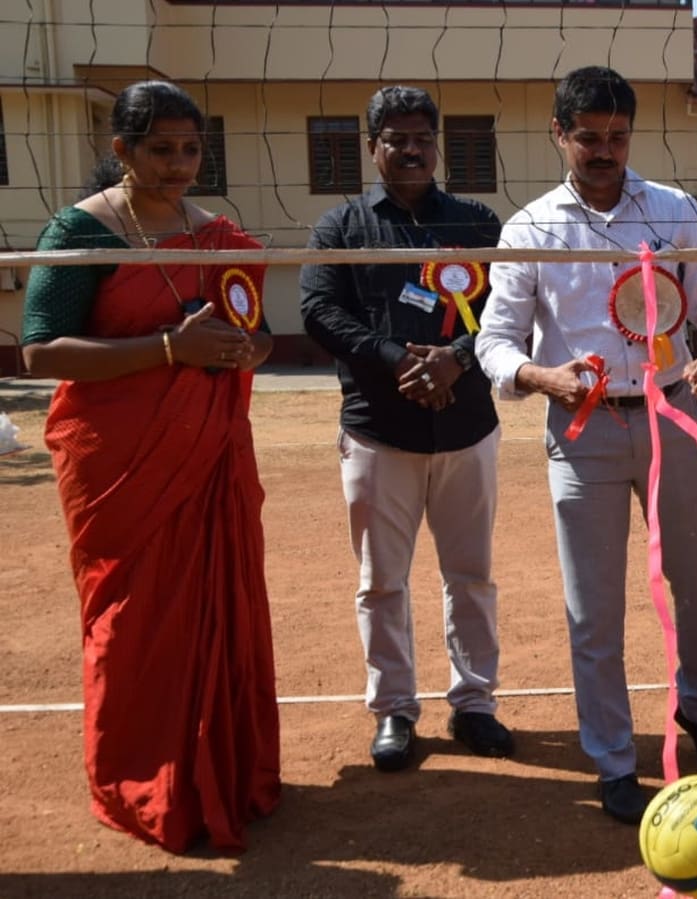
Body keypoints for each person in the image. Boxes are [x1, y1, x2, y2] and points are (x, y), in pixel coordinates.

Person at [476, 66, 697, 826]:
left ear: (632, 134)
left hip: (673, 413)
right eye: (587, 137)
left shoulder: (674, 210)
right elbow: (493, 340)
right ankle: (613, 756)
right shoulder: (530, 229)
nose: (603, 150)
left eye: (617, 136)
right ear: (559, 135)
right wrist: (538, 374)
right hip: (581, 426)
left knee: (696, 579)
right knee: (593, 606)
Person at [20, 80, 279, 853]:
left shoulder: (221, 235)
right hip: (119, 463)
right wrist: (170, 348)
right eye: (159, 150)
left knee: (220, 610)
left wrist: (244, 348)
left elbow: (256, 334)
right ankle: (141, 778)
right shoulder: (81, 231)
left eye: (189, 149)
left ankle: (223, 771)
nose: (176, 165)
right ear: (121, 150)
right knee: (130, 622)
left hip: (210, 455)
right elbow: (39, 349)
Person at [299, 86, 514, 773]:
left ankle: (475, 701)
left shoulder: (478, 223)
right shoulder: (340, 227)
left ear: (437, 142)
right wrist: (399, 361)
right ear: (373, 147)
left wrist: (455, 360)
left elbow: (512, 311)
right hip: (377, 431)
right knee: (381, 580)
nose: (412, 148)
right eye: (396, 138)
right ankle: (394, 707)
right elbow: (319, 312)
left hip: (468, 428)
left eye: (423, 136)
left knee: (471, 575)